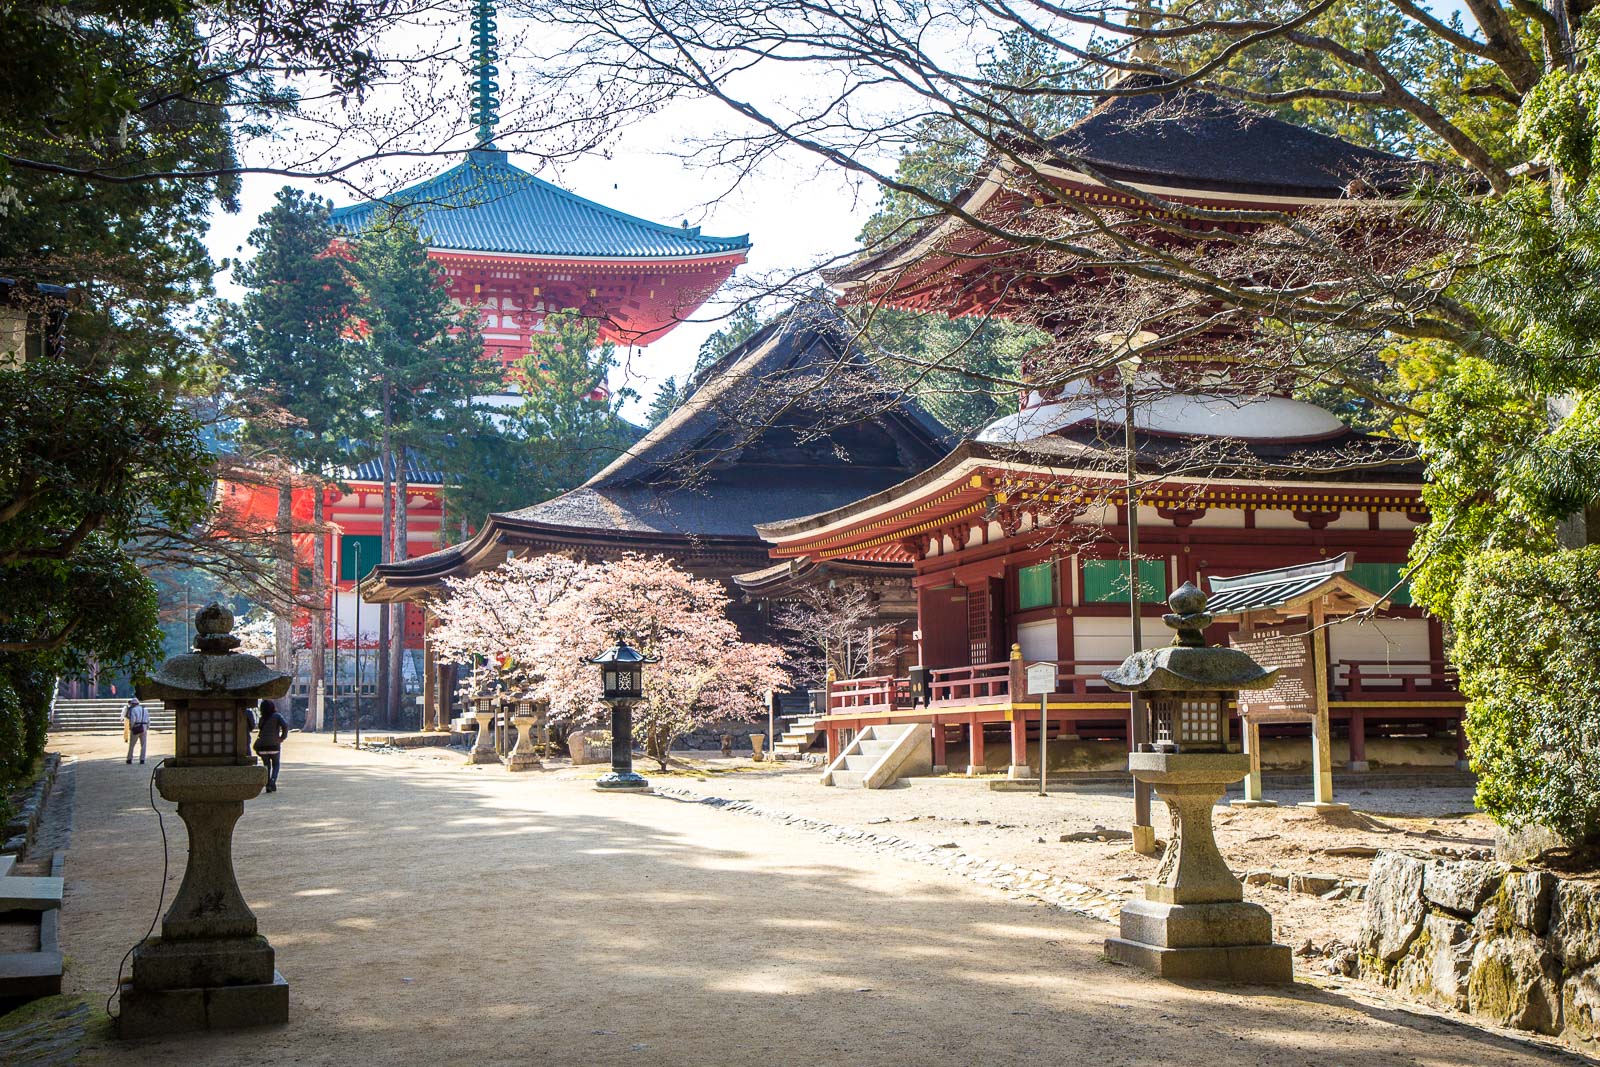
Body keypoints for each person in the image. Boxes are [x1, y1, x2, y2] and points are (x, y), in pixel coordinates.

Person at [253, 698, 289, 793]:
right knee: (276, 764)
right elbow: (285, 725)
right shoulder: (277, 716)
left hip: (262, 746)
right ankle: (272, 782)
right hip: (274, 745)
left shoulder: (262, 718)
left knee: (266, 765)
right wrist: (282, 737)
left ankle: (267, 783)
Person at [123, 697, 149, 765]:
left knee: (132, 744)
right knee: (143, 744)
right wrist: (147, 727)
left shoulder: (133, 710)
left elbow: (133, 720)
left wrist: (131, 727)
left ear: (133, 704)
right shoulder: (145, 709)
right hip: (144, 726)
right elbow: (148, 720)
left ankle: (129, 758)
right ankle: (142, 759)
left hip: (136, 726)